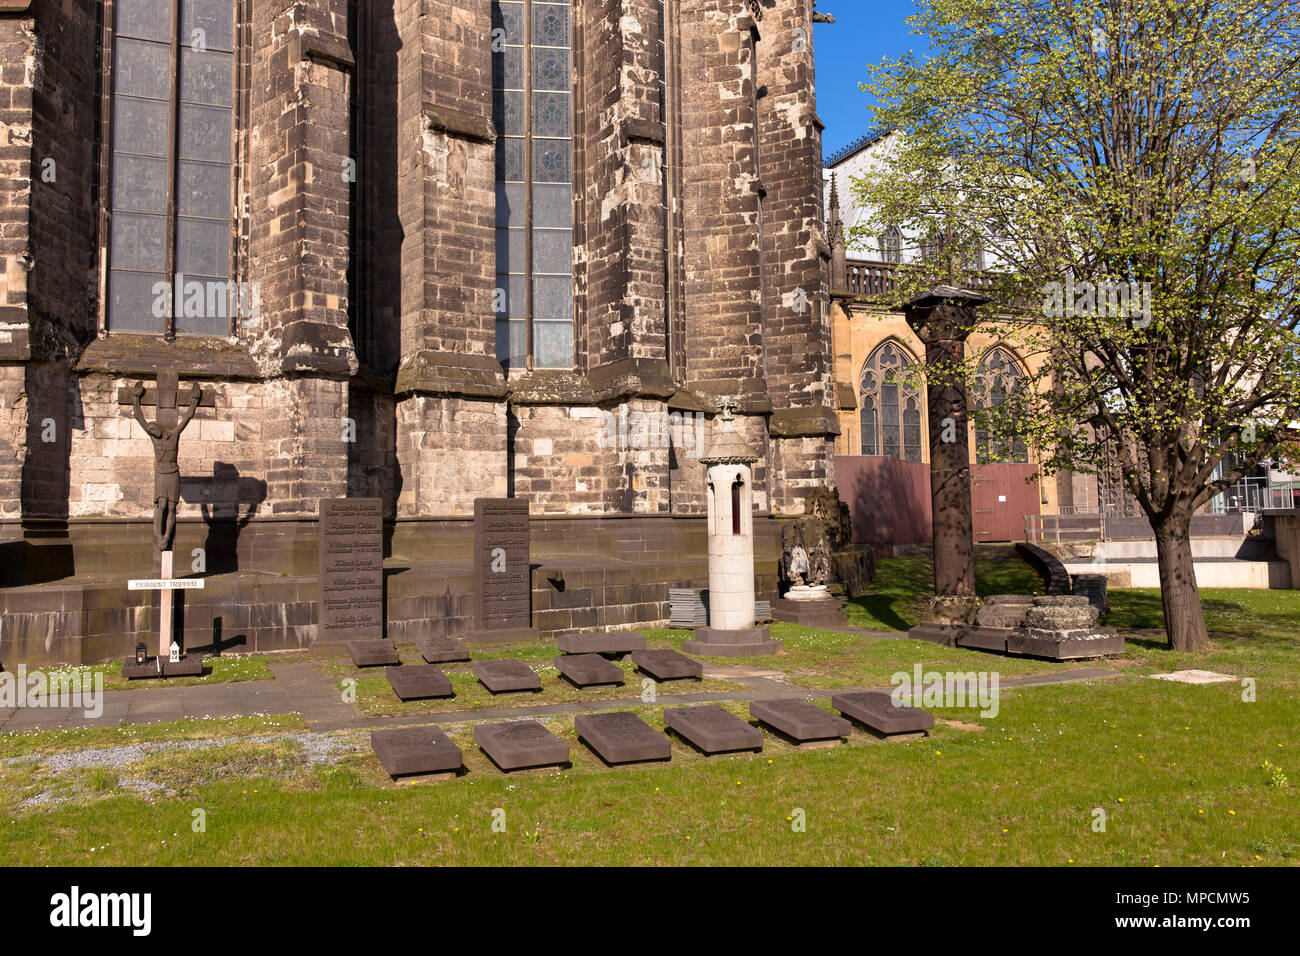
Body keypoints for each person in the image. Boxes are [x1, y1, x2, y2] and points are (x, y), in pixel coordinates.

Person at [131, 381, 200, 553]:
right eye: (150, 432)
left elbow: (188, 417)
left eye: (153, 429)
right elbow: (139, 417)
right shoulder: (155, 440)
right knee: (161, 506)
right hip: (161, 474)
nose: (152, 432)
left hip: (173, 473)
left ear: (158, 427)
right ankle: (158, 536)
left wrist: (195, 398)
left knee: (171, 507)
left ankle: (167, 536)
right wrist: (135, 398)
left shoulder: (173, 435)